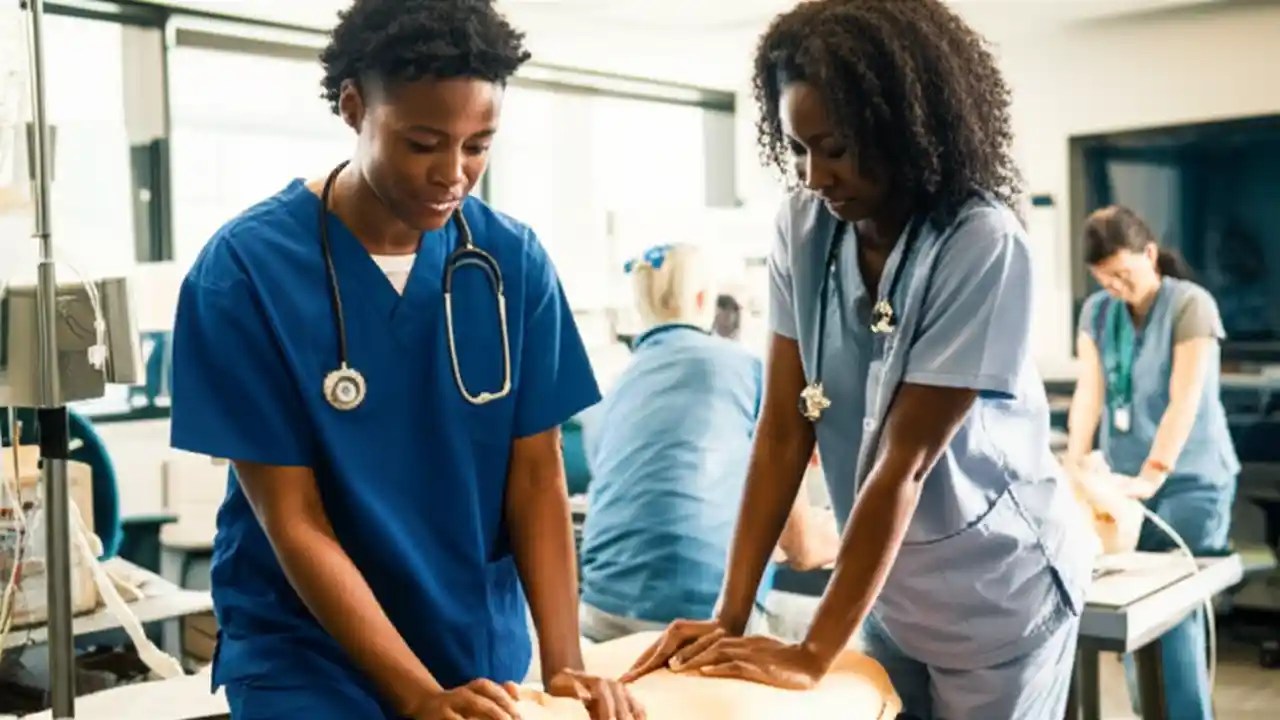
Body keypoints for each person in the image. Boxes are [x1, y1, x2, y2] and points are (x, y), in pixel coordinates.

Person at [168, 2, 642, 719]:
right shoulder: (244, 273)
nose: (453, 173)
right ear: (354, 106)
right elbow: (291, 516)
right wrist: (416, 695)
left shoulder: (512, 264)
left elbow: (536, 474)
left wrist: (565, 662)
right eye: (423, 142)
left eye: (479, 145)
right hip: (307, 656)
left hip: (473, 644)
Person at [620, 2, 1093, 718]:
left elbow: (903, 463)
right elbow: (782, 429)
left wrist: (812, 653)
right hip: (887, 595)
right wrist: (730, 612)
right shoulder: (803, 229)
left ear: (899, 128)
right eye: (798, 148)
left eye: (835, 147)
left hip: (997, 594)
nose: (816, 175)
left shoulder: (979, 244)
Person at [577, 243, 839, 644]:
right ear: (704, 301)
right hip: (707, 614)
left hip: (602, 616)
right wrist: (857, 531)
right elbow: (800, 545)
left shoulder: (612, 389)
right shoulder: (749, 369)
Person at [1066, 205, 1238, 720]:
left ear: (1150, 254)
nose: (1118, 287)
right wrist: (1076, 465)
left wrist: (1153, 474)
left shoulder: (1191, 306)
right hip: (1124, 487)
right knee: (1128, 612)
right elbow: (1088, 393)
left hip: (1190, 483)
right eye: (1106, 279)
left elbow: (1186, 399)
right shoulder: (1097, 313)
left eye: (1125, 274)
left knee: (1174, 612)